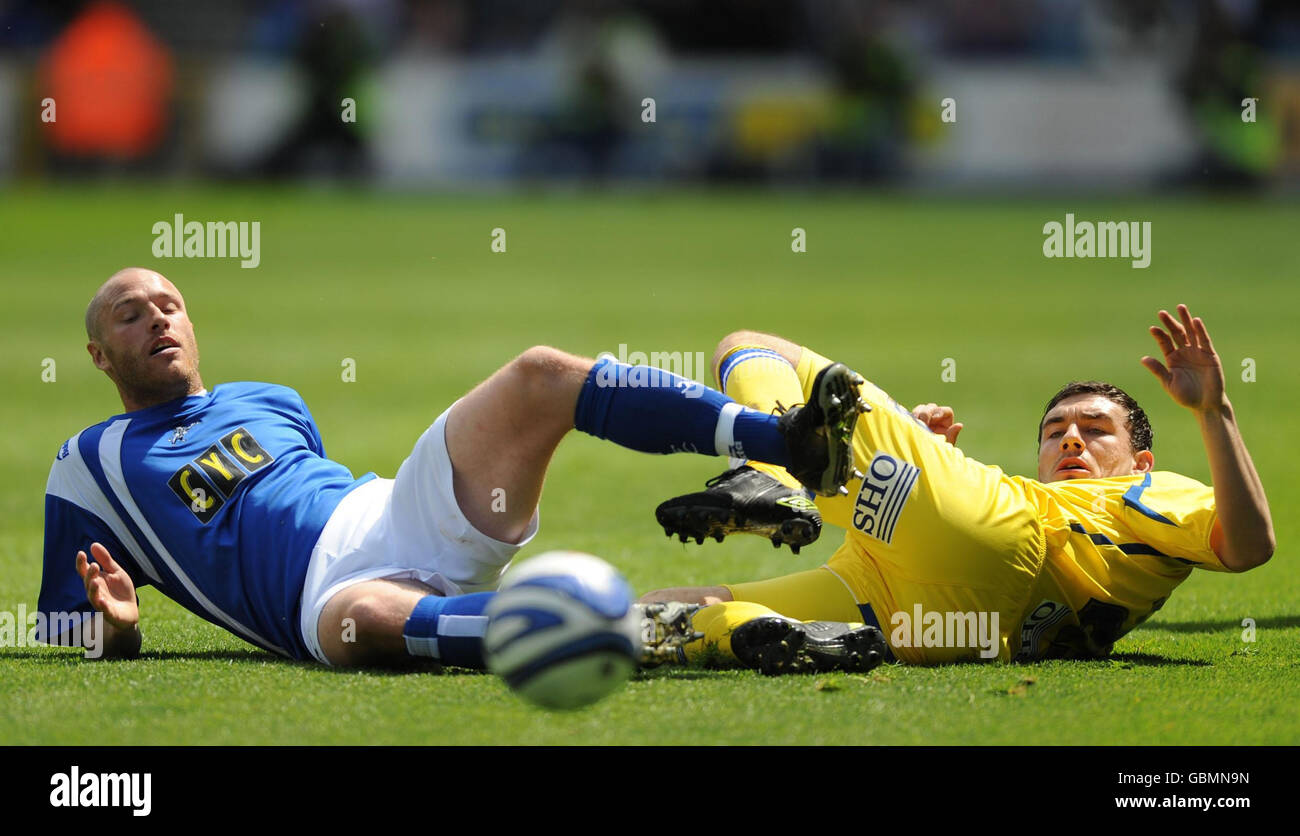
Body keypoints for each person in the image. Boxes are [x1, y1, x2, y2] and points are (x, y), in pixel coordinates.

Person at [37, 267, 866, 669]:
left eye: (169, 304)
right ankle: (671, 625)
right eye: (129, 313)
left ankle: (783, 442)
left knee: (540, 375)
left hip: (394, 509)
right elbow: (71, 628)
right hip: (322, 602)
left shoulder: (271, 397)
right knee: (360, 619)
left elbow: (314, 487)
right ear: (97, 353)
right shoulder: (87, 465)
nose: (157, 318)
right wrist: (118, 630)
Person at [641, 305, 1275, 673]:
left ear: (1141, 461)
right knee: (657, 614)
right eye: (1056, 431)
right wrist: (928, 462)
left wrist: (1214, 412)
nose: (1072, 440)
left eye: (1095, 429)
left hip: (999, 543)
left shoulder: (1148, 493)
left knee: (748, 345)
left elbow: (1248, 547)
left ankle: (771, 476)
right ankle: (752, 635)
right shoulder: (1050, 496)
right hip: (944, 627)